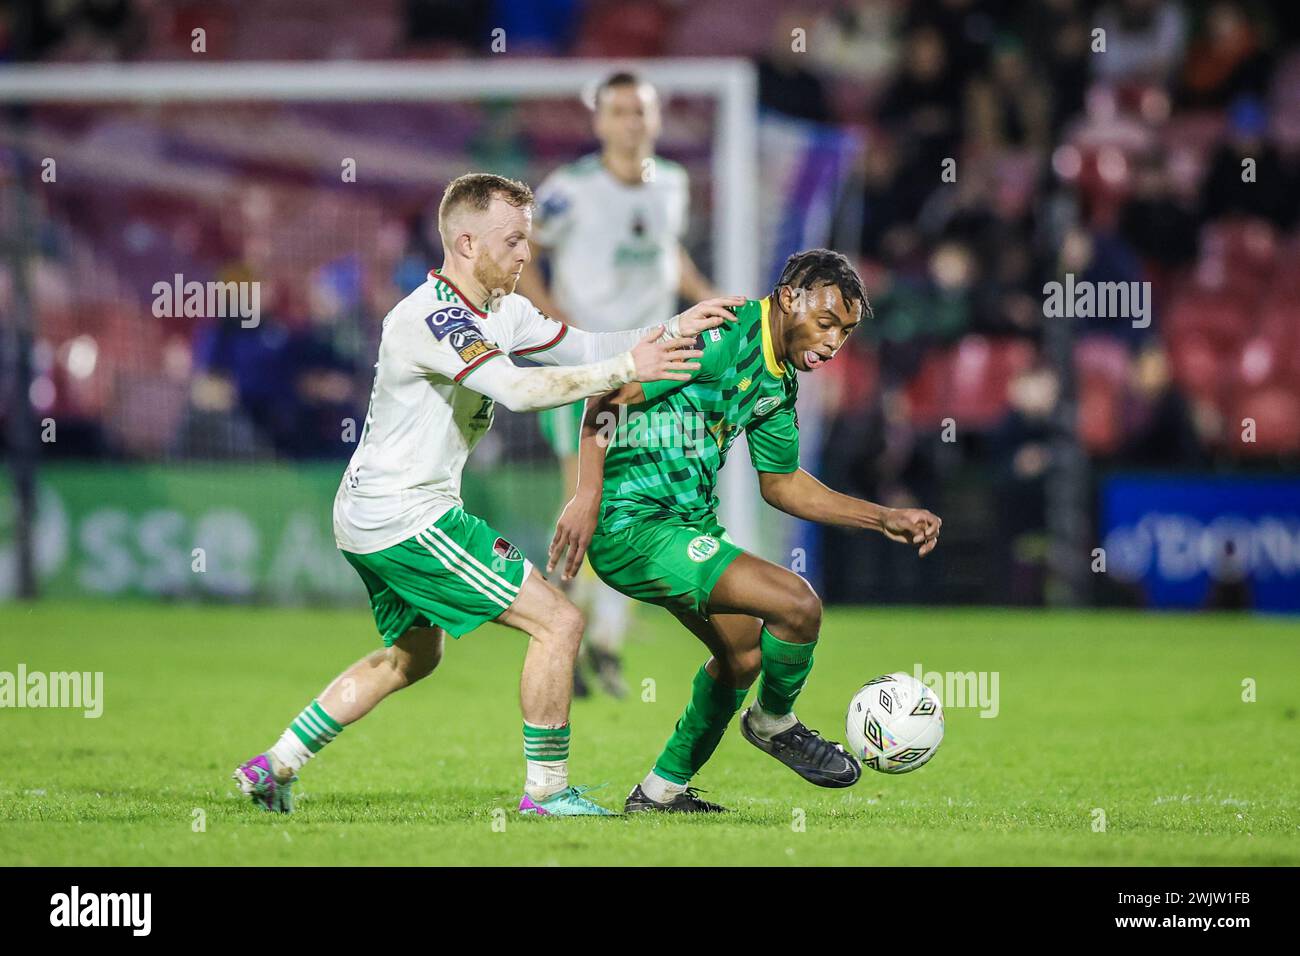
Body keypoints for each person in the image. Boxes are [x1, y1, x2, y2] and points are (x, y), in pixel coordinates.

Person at [233, 173, 741, 817]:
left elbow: (586, 346)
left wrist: (672, 328)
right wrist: (624, 372)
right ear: (467, 242)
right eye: (513, 240)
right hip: (407, 514)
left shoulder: (505, 311)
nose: (526, 254)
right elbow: (522, 390)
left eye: (528, 239)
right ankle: (547, 794)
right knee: (558, 621)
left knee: (410, 659)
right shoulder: (433, 316)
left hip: (369, 513)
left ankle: (274, 763)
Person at [549, 249, 942, 812]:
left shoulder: (777, 382)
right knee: (797, 605)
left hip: (683, 528)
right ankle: (774, 721)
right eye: (826, 322)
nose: (834, 343)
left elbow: (782, 484)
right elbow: (610, 391)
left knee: (743, 659)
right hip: (632, 524)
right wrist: (586, 495)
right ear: (788, 297)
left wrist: (883, 517)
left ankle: (660, 793)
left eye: (846, 332)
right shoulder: (719, 336)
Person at [518, 71, 718, 698]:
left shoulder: (673, 184)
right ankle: (559, 629)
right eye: (620, 111)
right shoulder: (570, 189)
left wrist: (708, 299)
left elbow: (667, 253)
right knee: (583, 501)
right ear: (600, 122)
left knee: (645, 505)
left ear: (656, 120)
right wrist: (556, 327)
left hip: (658, 367)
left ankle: (604, 644)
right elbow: (520, 250)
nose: (632, 121)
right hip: (587, 371)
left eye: (642, 111)